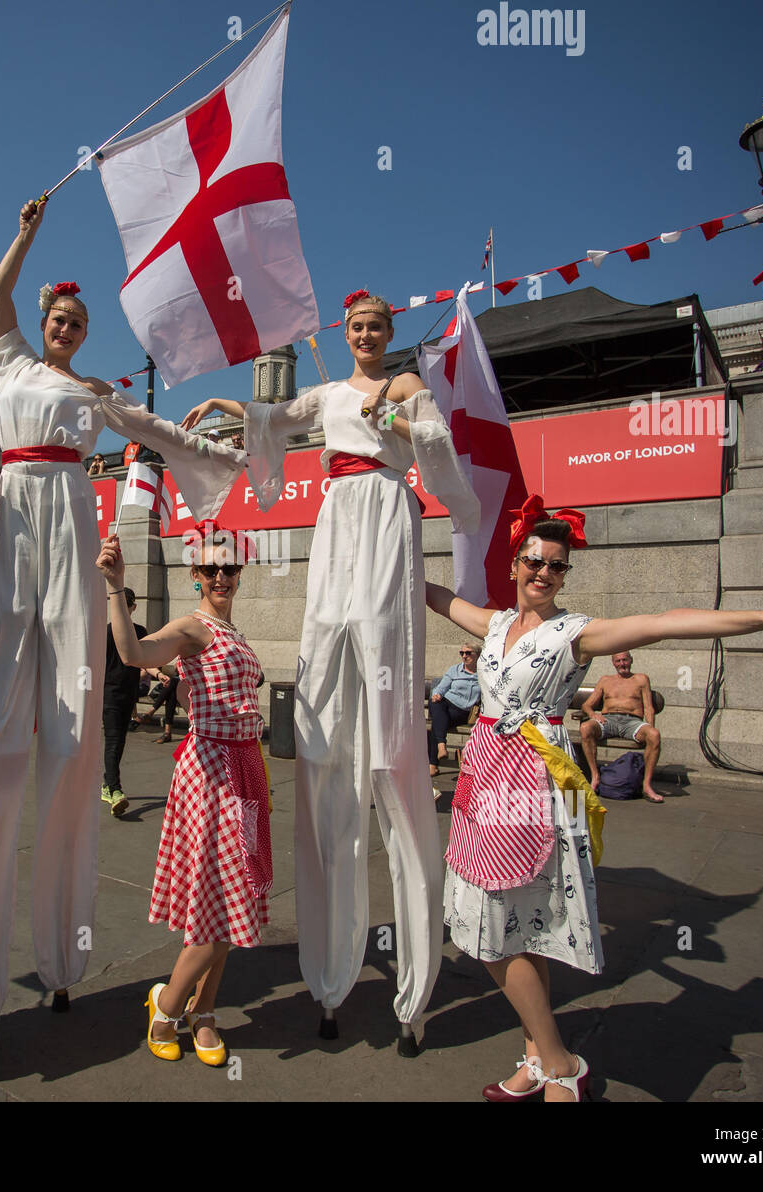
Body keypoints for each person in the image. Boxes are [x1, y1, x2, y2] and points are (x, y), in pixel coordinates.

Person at [425, 495, 763, 1101]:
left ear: (566, 574)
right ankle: (540, 1058)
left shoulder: (576, 633)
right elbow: (434, 594)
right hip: (480, 780)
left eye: (557, 566)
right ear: (515, 563)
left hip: (530, 784)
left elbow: (668, 621)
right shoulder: (492, 624)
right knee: (511, 925)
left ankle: (562, 1063)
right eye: (534, 561)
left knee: (492, 932)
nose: (543, 573)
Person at [0, 194, 245, 1055]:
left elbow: (147, 426)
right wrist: (23, 233)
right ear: (43, 322)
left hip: (76, 517)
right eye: (60, 317)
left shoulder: (92, 391)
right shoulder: (10, 365)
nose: (67, 327)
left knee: (74, 732)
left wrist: (201, 438)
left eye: (78, 320)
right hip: (15, 514)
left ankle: (62, 959)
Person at [182, 289, 480, 1054]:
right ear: (346, 333)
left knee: (382, 644)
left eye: (378, 325)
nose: (369, 334)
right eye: (358, 326)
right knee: (330, 642)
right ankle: (329, 971)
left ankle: (394, 741)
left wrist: (405, 423)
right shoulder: (329, 391)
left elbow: (438, 445)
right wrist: (227, 401)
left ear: (389, 334)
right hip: (339, 514)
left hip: (384, 510)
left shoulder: (404, 386)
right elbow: (275, 419)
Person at [98, 526, 269, 1066]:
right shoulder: (192, 628)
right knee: (223, 897)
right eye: (212, 570)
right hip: (210, 772)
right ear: (195, 575)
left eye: (230, 569)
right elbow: (133, 652)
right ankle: (169, 1006)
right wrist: (116, 585)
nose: (222, 577)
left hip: (245, 770)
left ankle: (206, 1009)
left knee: (227, 901)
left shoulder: (232, 630)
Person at [579, 651, 663, 802]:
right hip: (608, 720)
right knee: (585, 728)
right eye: (618, 661)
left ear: (631, 660)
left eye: (625, 660)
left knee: (654, 735)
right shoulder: (605, 680)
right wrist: (593, 715)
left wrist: (649, 728)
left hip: (632, 721)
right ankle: (595, 777)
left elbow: (649, 707)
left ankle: (646, 785)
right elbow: (587, 705)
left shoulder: (641, 679)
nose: (622, 664)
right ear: (613, 663)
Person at [101, 587, 146, 817]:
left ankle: (108, 783)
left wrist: (158, 674)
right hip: (109, 694)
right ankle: (115, 790)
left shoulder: (140, 631)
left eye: (127, 605)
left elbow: (145, 661)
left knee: (119, 741)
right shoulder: (105, 633)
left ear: (132, 608)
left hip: (129, 694)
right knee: (113, 740)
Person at [429, 644, 481, 777]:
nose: (464, 656)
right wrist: (437, 694)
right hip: (446, 703)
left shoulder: (483, 674)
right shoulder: (455, 670)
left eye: (468, 653)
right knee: (436, 703)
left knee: (437, 723)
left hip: (463, 711)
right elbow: (441, 687)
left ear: (477, 655)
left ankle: (433, 764)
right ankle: (441, 746)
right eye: (462, 653)